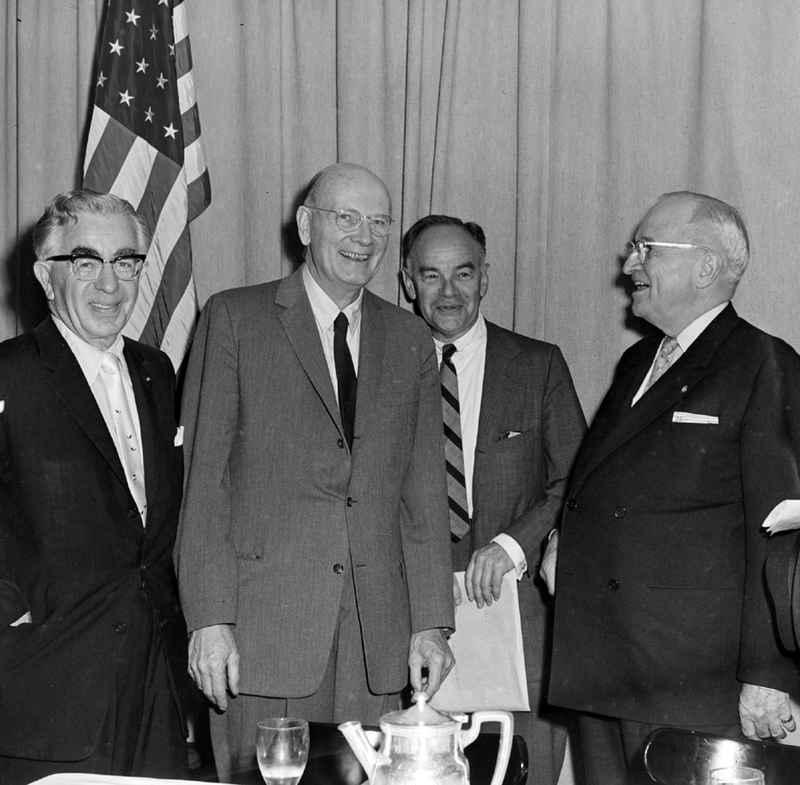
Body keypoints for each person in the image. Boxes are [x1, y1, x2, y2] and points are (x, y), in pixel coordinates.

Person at [175, 163, 455, 780]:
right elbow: (205, 487)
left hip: (379, 642)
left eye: (380, 222)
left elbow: (424, 497)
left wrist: (432, 623)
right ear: (306, 225)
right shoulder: (235, 319)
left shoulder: (410, 339)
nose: (365, 236)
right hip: (262, 636)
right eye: (346, 217)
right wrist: (209, 619)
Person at [542, 191, 800, 784]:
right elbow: (605, 484)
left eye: (645, 250)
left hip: (692, 680)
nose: (629, 265)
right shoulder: (638, 362)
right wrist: (564, 542)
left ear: (706, 266)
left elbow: (782, 531)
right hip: (604, 663)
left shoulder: (763, 362)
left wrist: (767, 674)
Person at [0, 190, 188, 784]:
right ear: (45, 277)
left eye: (126, 262)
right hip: (46, 680)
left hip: (154, 682)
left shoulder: (158, 371)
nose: (110, 284)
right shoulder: (10, 374)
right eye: (86, 263)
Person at [402, 215, 586, 785]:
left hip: (520, 627)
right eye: (431, 276)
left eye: (464, 273)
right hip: (411, 625)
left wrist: (513, 545)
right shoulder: (380, 366)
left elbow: (578, 482)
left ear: (486, 279)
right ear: (408, 282)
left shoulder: (537, 365)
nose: (449, 292)